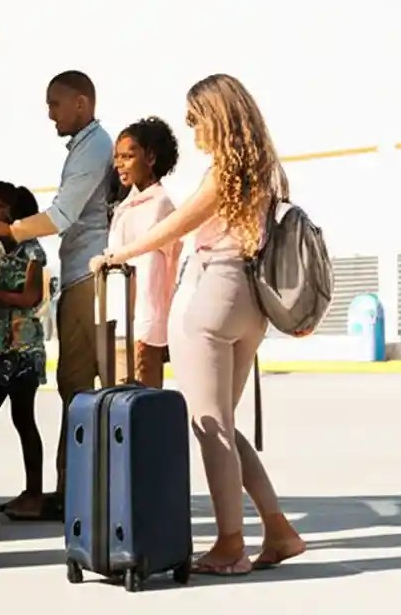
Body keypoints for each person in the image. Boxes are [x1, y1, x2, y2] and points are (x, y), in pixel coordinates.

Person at [91, 74, 307, 576]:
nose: (194, 134)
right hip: (252, 304)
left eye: (196, 122)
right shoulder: (270, 172)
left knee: (207, 427)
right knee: (225, 425)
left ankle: (230, 544)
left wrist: (117, 253)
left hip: (210, 296)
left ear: (216, 117)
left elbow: (176, 226)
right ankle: (278, 530)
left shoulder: (223, 173)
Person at [0, 70, 116, 518]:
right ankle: (67, 488)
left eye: (55, 104)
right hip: (79, 275)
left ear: (81, 103)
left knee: (86, 389)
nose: (50, 114)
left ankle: (79, 490)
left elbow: (60, 216)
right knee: (72, 388)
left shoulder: (95, 146)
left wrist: (10, 231)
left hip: (89, 277)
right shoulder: (85, 146)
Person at [0, 182, 48, 520]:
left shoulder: (31, 250)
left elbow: (31, 298)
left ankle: (34, 493)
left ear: (5, 211)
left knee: (22, 418)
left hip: (21, 348)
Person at [106, 116, 182, 387]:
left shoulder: (161, 205)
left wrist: (152, 327)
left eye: (128, 156)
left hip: (144, 321)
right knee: (118, 393)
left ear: (150, 158)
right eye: (117, 157)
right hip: (118, 316)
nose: (120, 164)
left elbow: (162, 269)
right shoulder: (127, 205)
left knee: (143, 395)